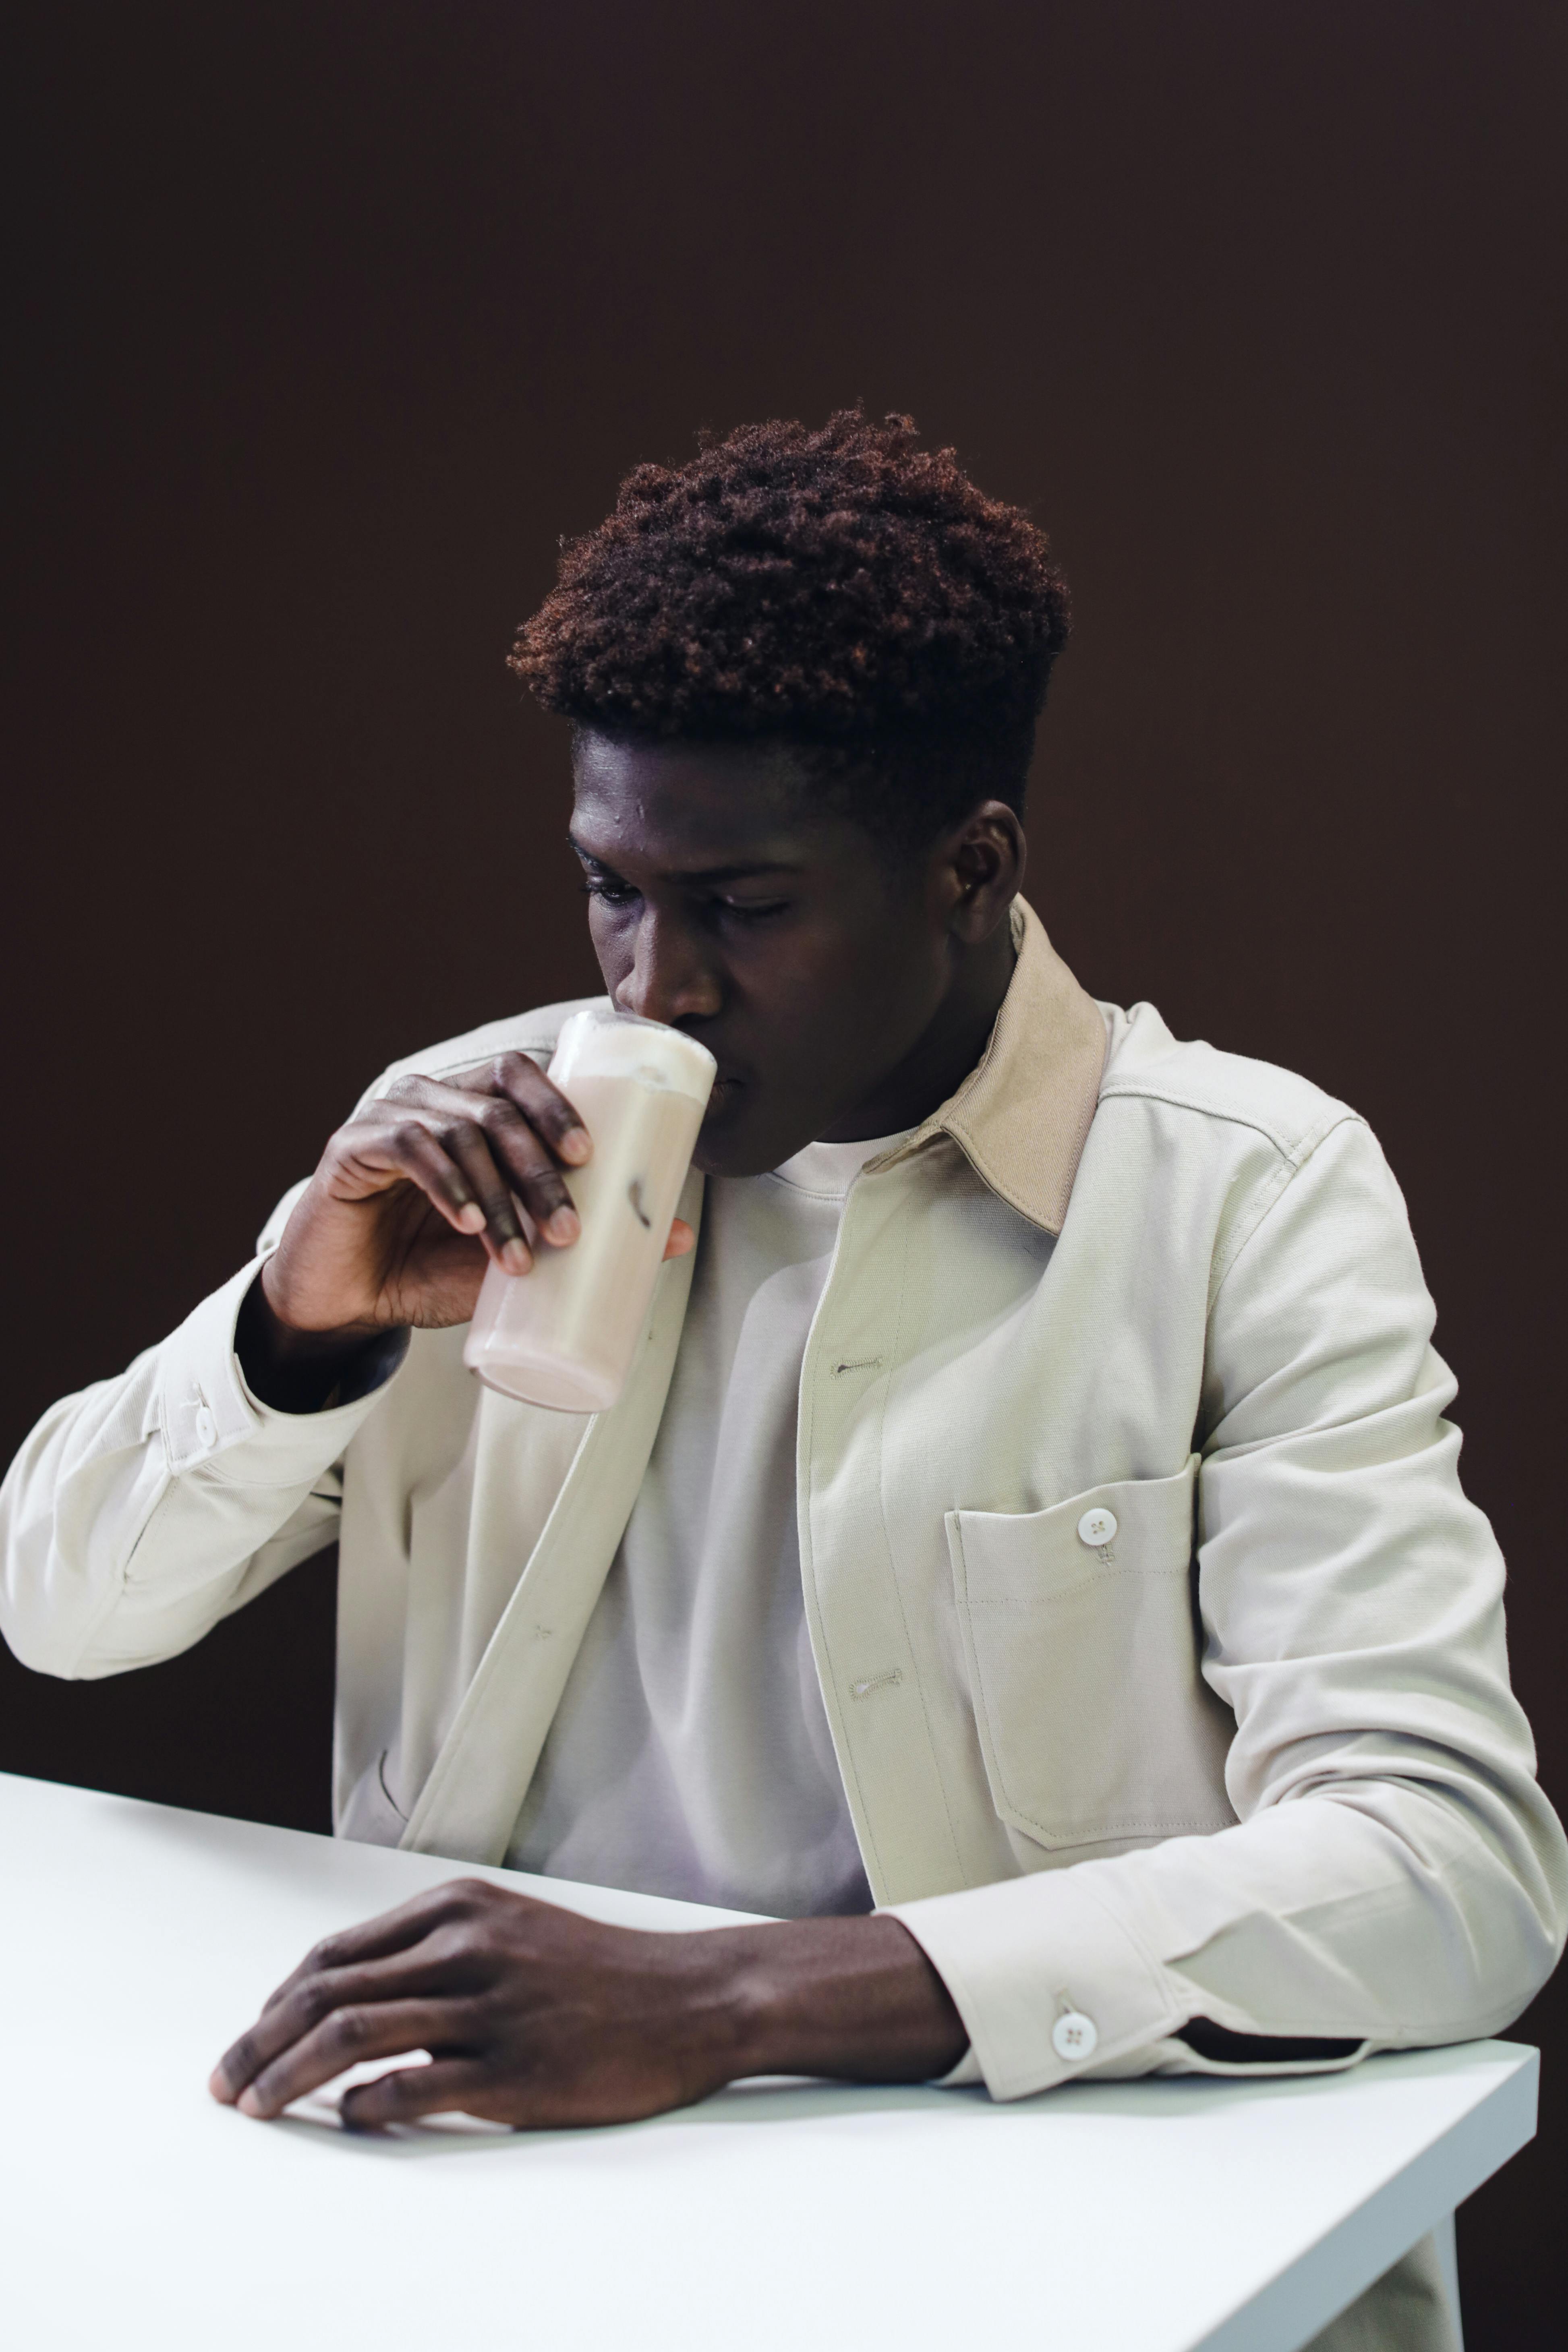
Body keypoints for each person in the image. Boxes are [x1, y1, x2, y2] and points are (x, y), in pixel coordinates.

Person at [2, 411, 1562, 2348]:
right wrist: (294, 1331)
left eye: (740, 907)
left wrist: (721, 2002)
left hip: (1049, 2243)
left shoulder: (1236, 1191)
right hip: (502, 2219)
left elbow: (1445, 1872)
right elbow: (58, 1612)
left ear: (966, 871)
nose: (650, 986)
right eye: (609, 889)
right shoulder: (481, 1138)